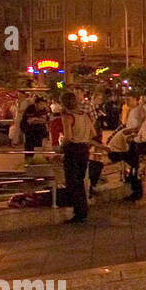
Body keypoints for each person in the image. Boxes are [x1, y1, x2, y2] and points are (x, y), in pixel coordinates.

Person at [56, 91, 94, 223]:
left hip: (73, 150)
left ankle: (79, 212)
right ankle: (82, 210)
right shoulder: (85, 115)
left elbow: (68, 137)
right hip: (84, 149)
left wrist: (61, 147)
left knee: (73, 182)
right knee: (80, 180)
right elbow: (92, 133)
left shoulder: (68, 117)